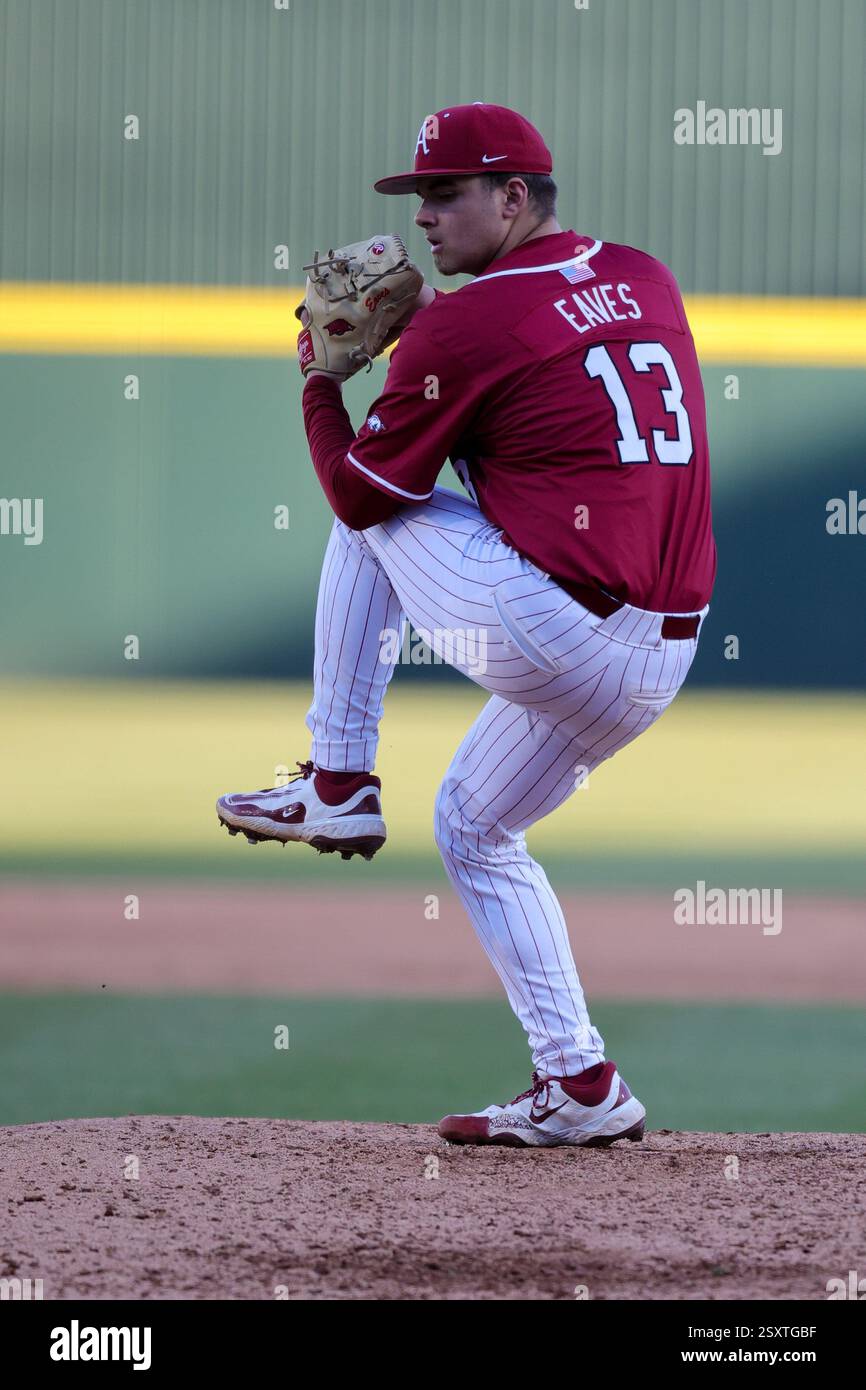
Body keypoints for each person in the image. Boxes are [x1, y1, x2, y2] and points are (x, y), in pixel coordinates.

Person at [217, 103, 716, 1148]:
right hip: (661, 651)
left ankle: (339, 779)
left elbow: (360, 495)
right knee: (475, 826)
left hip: (559, 629)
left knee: (375, 510)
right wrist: (426, 346)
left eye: (448, 194)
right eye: (420, 197)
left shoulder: (463, 325)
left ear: (515, 197)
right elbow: (542, 391)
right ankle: (579, 1083)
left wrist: (318, 378)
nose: (428, 218)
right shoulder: (644, 274)